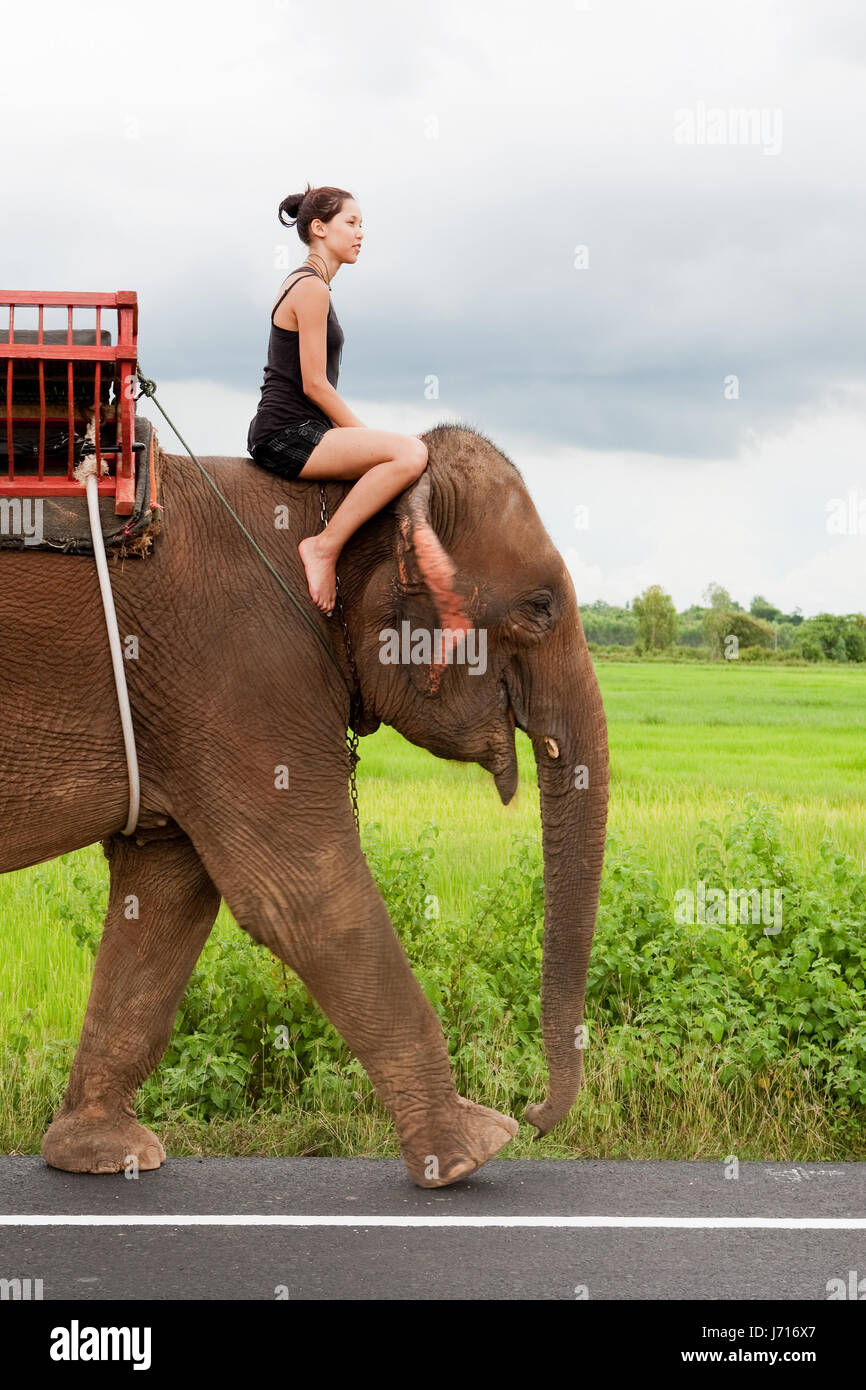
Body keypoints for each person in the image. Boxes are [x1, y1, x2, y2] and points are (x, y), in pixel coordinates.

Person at [247, 182, 428, 616]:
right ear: (319, 228)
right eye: (350, 222)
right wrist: (368, 437)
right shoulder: (311, 288)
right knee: (409, 454)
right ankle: (324, 548)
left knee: (401, 448)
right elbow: (314, 385)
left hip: (304, 428)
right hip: (288, 432)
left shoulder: (311, 283)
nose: (360, 233)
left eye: (362, 224)